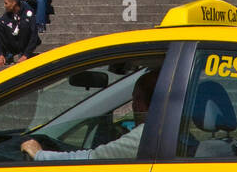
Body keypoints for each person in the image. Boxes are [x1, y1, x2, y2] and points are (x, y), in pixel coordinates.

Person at [21, 68, 160, 162]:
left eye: (135, 99)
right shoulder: (169, 130)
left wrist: (40, 154)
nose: (133, 106)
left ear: (139, 104)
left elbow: (91, 159)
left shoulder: (149, 135)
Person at [0, 0, 38, 66]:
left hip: (25, 45)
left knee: (24, 26)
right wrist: (0, 54)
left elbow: (34, 35)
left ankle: (22, 53)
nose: (4, 6)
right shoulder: (7, 15)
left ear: (14, 3)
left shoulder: (28, 14)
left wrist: (25, 55)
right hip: (14, 44)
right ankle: (8, 54)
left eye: (6, 3)